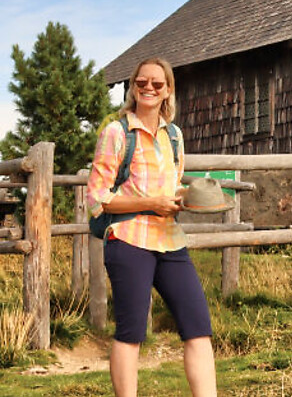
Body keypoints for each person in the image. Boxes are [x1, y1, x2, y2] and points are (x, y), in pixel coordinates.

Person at [86, 57, 217, 397]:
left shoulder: (174, 135)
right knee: (131, 333)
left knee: (198, 329)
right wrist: (150, 203)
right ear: (133, 87)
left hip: (171, 241)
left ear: (168, 90)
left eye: (157, 84)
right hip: (128, 239)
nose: (148, 88)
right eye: (141, 82)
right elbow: (99, 198)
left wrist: (186, 198)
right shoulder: (116, 133)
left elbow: (170, 188)